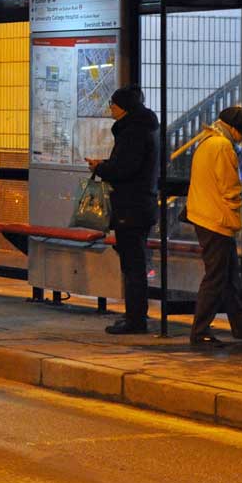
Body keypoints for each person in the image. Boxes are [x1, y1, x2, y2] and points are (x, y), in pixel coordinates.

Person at [185, 105, 242, 346]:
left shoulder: (208, 141)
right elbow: (230, 185)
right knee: (216, 277)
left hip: (208, 215)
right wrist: (237, 210)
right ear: (233, 128)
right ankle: (200, 330)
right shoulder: (223, 146)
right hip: (216, 219)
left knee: (230, 276)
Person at [85, 85, 159, 334]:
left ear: (125, 107)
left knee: (133, 265)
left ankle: (135, 320)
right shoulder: (141, 128)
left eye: (114, 104)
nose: (111, 108)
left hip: (132, 206)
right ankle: (134, 316)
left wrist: (100, 168)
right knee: (132, 263)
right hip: (139, 205)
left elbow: (125, 168)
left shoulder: (134, 132)